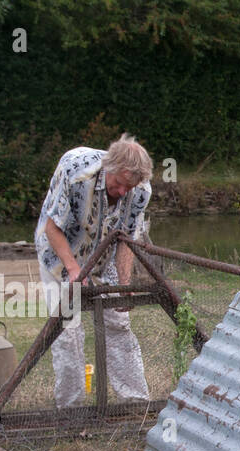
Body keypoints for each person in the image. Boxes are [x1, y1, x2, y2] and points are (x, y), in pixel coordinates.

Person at [35, 133, 153, 408]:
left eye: (130, 187)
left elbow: (127, 239)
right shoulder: (75, 171)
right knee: (67, 330)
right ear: (109, 167)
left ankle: (134, 404)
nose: (123, 192)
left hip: (104, 256)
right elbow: (52, 228)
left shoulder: (141, 191)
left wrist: (124, 285)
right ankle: (72, 409)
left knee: (118, 323)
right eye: (119, 184)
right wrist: (74, 268)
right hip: (60, 253)